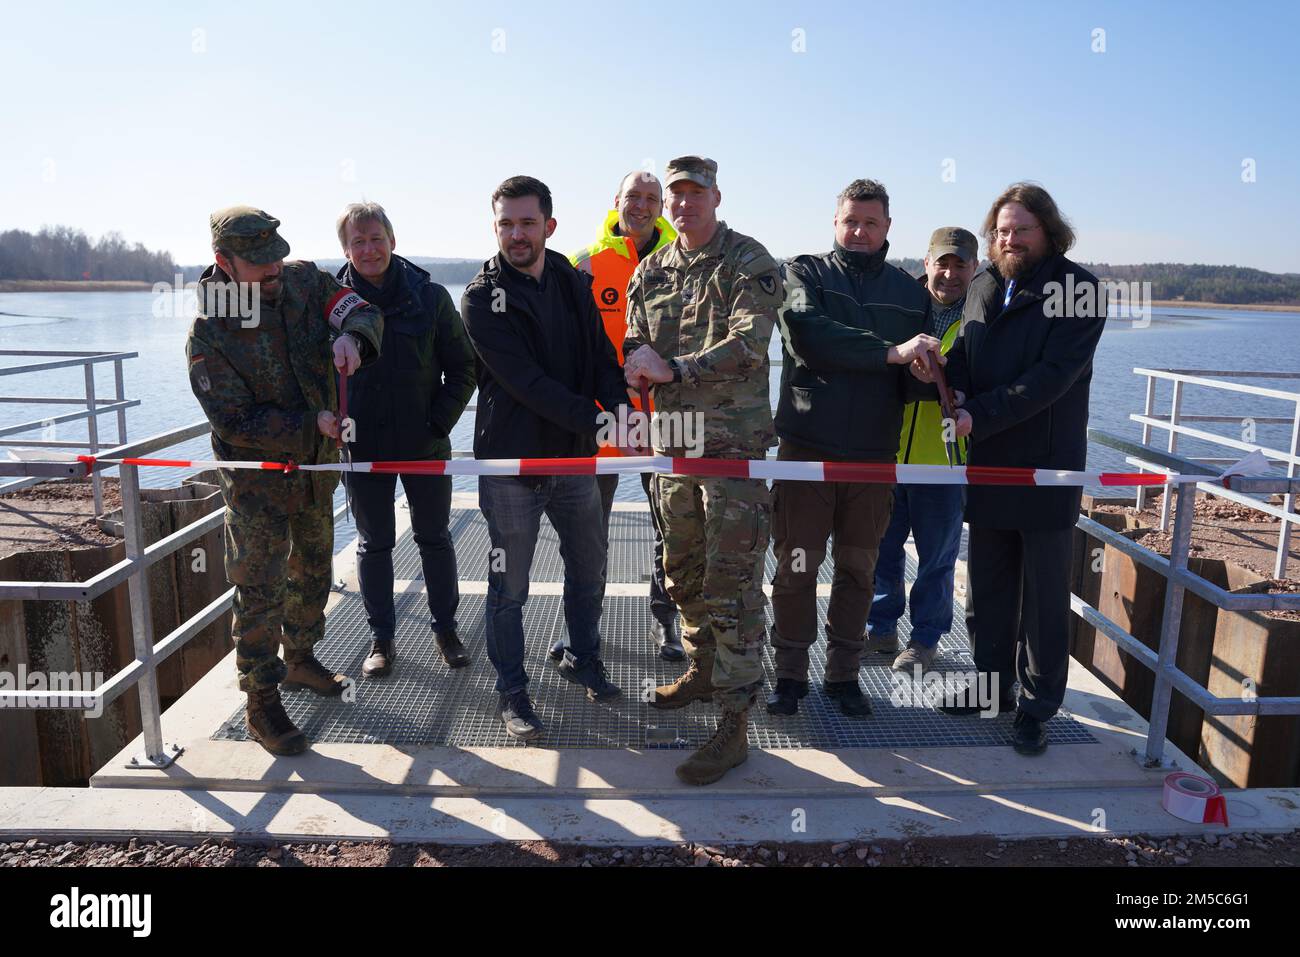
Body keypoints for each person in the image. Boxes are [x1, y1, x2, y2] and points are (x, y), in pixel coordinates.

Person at [186, 206, 382, 756]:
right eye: (258, 262)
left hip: (315, 474)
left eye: (276, 255)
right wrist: (308, 423)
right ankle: (261, 700)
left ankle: (300, 659)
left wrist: (355, 339)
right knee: (260, 590)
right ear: (223, 262)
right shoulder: (210, 330)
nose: (273, 269)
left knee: (313, 571)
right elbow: (232, 421)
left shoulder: (303, 280)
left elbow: (359, 307)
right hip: (259, 487)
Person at [928, 182, 1106, 756]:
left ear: (1049, 231)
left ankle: (1036, 705)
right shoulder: (984, 283)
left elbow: (1055, 377)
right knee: (988, 589)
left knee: (1044, 596)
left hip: (1046, 468)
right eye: (1002, 230)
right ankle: (990, 689)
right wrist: (946, 380)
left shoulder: (1078, 291)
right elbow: (966, 354)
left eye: (1021, 229)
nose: (1010, 239)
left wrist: (980, 412)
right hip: (989, 465)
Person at [623, 156, 783, 785]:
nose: (685, 205)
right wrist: (638, 374)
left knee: (732, 582)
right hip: (673, 450)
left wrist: (677, 371)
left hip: (730, 454)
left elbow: (751, 343)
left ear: (717, 196)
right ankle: (702, 668)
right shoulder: (651, 269)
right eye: (676, 195)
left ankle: (736, 723)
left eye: (696, 194)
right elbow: (638, 345)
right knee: (682, 571)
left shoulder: (747, 260)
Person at [461, 176, 631, 740]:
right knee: (510, 586)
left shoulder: (568, 279)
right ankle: (512, 691)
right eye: (506, 224)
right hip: (513, 467)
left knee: (590, 567)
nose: (516, 234)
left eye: (527, 223)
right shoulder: (482, 297)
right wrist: (601, 420)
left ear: (548, 226)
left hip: (576, 462)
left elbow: (603, 356)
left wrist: (622, 404)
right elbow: (526, 383)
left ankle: (584, 656)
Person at [767, 179, 939, 717]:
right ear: (834, 223)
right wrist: (891, 353)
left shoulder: (912, 294)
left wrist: (925, 371)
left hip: (871, 456)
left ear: (888, 227)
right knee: (795, 566)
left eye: (870, 222)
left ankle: (843, 675)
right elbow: (806, 336)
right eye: (850, 221)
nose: (859, 231)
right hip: (805, 449)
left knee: (859, 570)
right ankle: (790, 674)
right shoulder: (802, 273)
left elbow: (911, 382)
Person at [334, 202, 476, 679]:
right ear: (346, 250)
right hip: (363, 447)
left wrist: (438, 423)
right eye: (358, 241)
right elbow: (315, 376)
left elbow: (464, 368)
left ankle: (446, 630)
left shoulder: (430, 297)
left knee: (434, 538)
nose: (369, 249)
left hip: (425, 444)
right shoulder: (331, 306)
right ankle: (381, 639)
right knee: (373, 544)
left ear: (392, 241)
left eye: (376, 238)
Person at [544, 172, 681, 663]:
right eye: (633, 197)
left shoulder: (684, 263)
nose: (641, 206)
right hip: (602, 422)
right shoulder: (583, 264)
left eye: (651, 199)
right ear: (615, 203)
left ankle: (670, 622)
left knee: (674, 530)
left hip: (670, 423)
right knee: (585, 534)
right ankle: (580, 627)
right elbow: (561, 342)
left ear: (661, 206)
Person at [866, 227, 978, 672]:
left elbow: (984, 377)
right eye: (943, 263)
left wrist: (958, 387)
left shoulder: (980, 317)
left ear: (975, 269)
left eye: (961, 264)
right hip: (888, 455)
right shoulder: (899, 305)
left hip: (944, 462)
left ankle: (925, 640)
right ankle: (880, 629)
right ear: (927, 263)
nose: (950, 273)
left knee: (937, 558)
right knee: (882, 547)